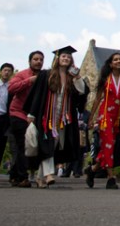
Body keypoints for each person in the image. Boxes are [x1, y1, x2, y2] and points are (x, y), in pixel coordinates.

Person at [25, 46, 87, 188]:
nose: (66, 58)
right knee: (47, 144)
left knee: (53, 146)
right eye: (63, 56)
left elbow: (82, 92)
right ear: (57, 59)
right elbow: (37, 95)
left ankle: (40, 178)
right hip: (46, 117)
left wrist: (77, 77)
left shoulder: (72, 78)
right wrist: (31, 114)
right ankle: (49, 174)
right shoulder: (46, 74)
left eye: (68, 57)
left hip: (63, 119)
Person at [86, 52, 120, 190]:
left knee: (110, 147)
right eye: (115, 60)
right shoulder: (106, 79)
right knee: (108, 144)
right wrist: (91, 118)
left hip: (118, 117)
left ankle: (92, 170)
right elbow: (97, 98)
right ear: (110, 63)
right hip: (105, 116)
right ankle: (111, 178)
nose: (118, 61)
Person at [7, 50, 44, 188]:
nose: (38, 61)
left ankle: (14, 175)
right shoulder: (22, 74)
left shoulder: (43, 76)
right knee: (23, 145)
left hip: (32, 116)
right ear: (30, 61)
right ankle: (23, 177)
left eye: (41, 59)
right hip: (17, 113)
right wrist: (29, 81)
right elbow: (11, 89)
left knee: (23, 146)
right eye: (35, 59)